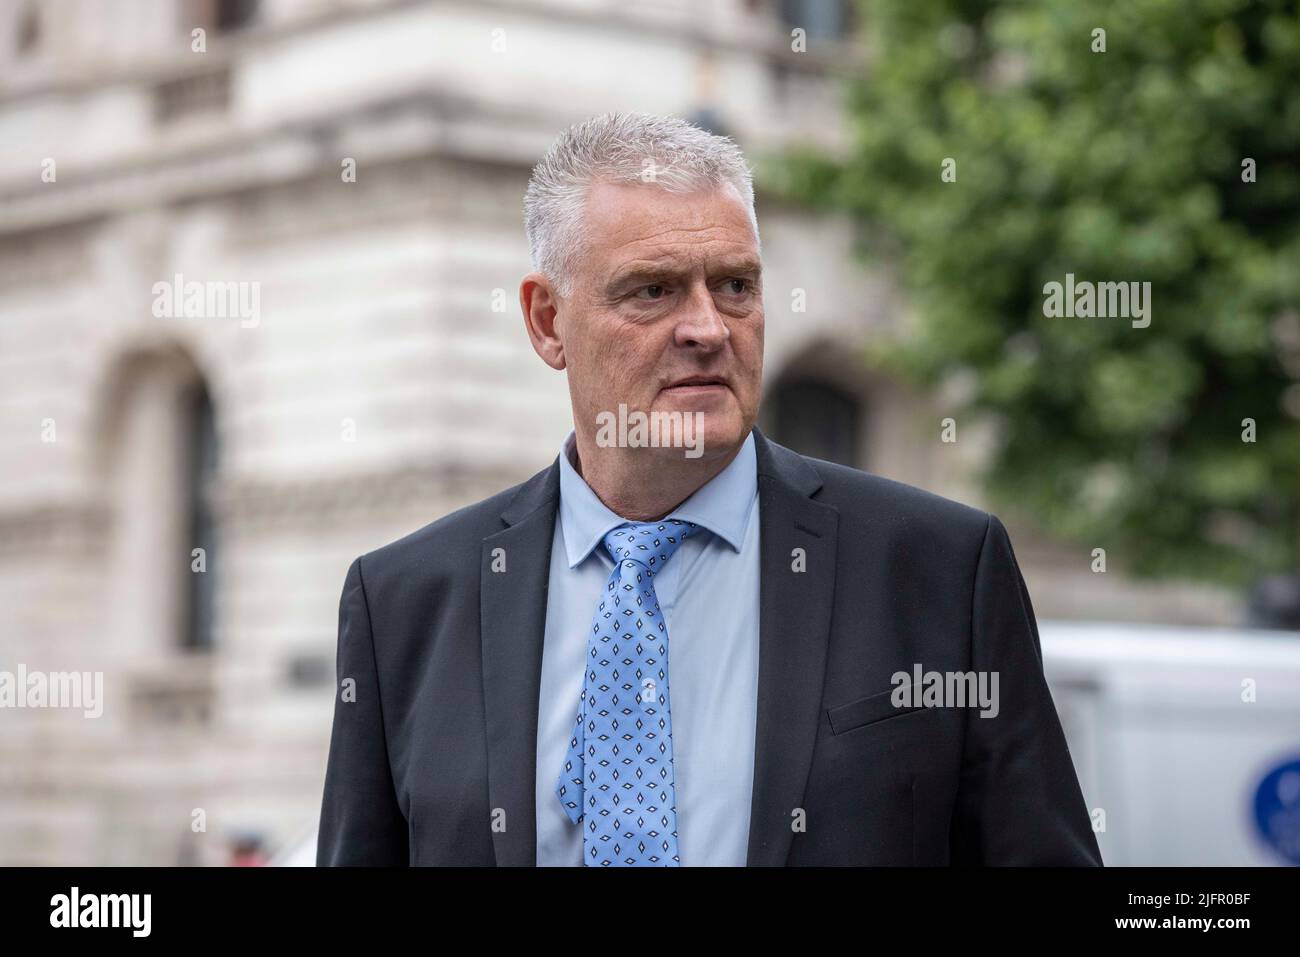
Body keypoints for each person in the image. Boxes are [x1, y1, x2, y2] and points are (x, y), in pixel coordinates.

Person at [317, 111, 1102, 867]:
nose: (709, 328)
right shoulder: (405, 603)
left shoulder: (938, 570)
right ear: (548, 321)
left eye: (733, 285)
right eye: (652, 291)